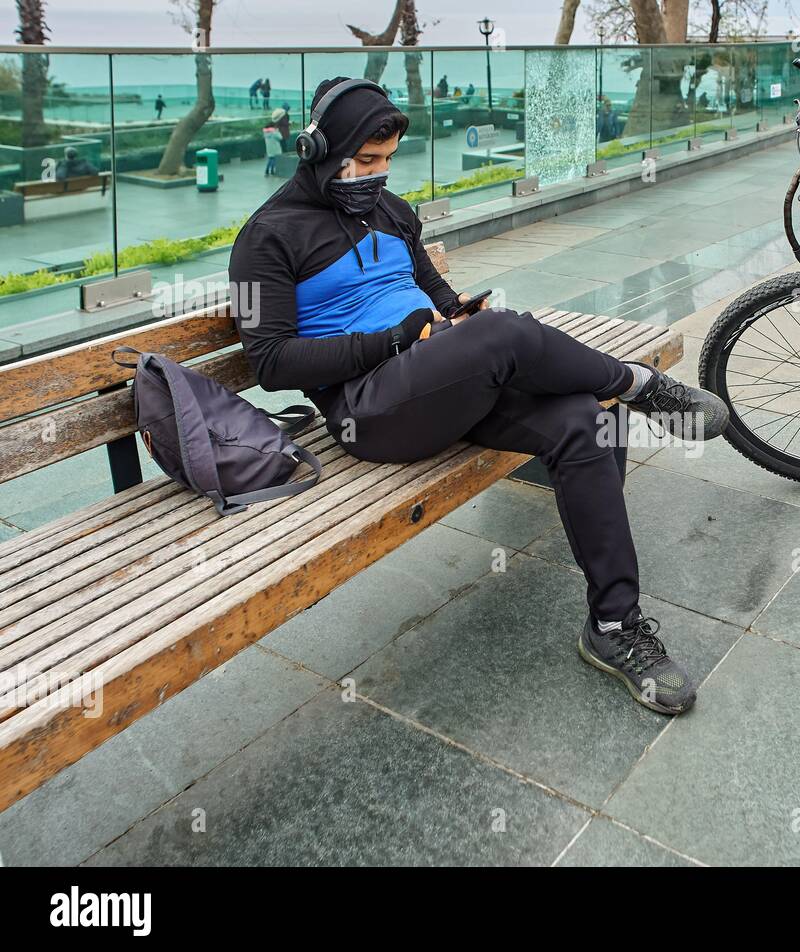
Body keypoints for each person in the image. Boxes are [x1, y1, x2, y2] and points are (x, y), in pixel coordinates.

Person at [227, 78, 728, 715]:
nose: (377, 176)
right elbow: (269, 363)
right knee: (507, 336)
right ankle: (640, 385)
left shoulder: (392, 213)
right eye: (366, 160)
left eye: (387, 162)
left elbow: (437, 296)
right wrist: (390, 342)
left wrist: (456, 316)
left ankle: (613, 626)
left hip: (442, 383)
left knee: (583, 419)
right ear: (318, 148)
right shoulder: (266, 237)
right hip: (370, 412)